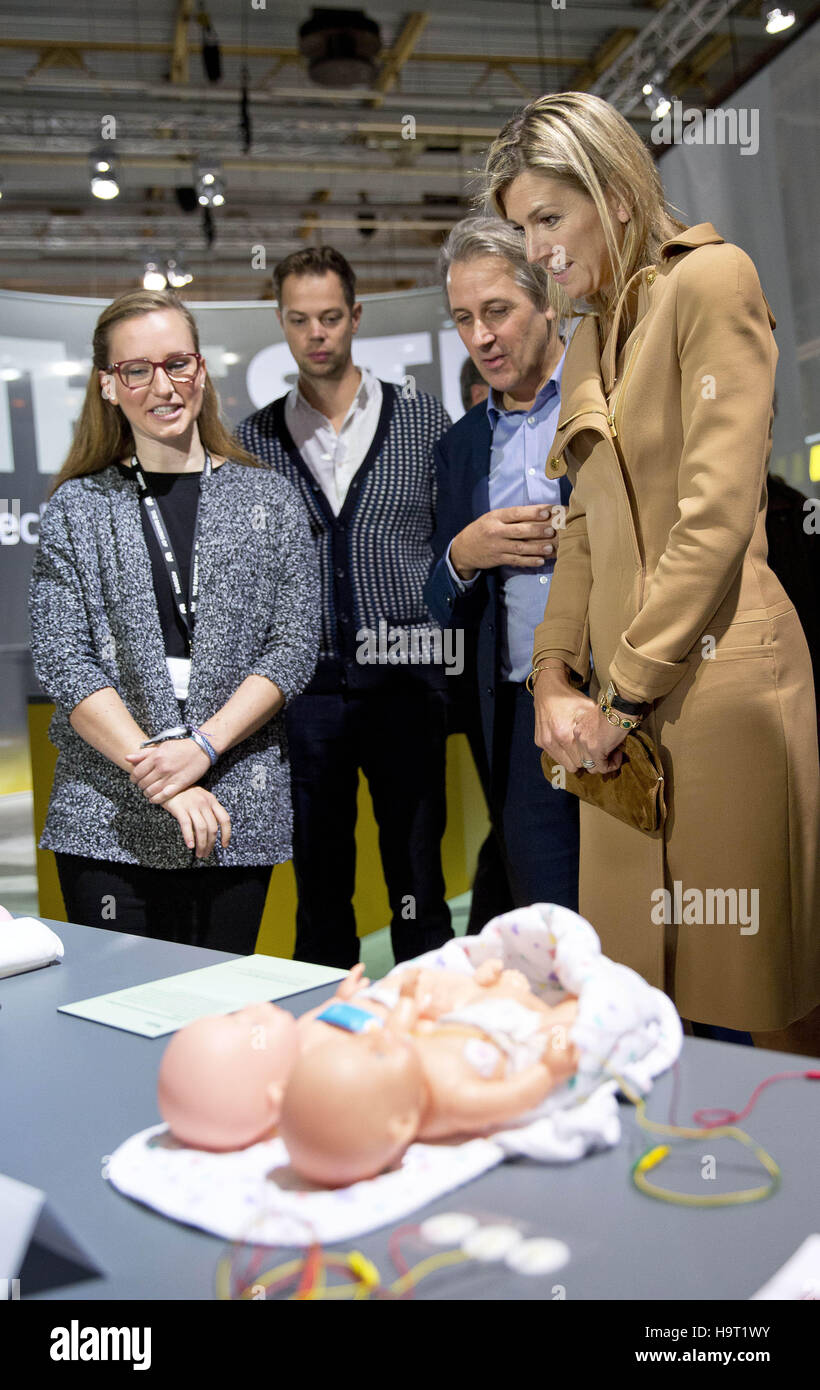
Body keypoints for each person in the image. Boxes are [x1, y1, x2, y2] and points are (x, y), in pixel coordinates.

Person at [482, 90, 820, 1052]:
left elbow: (716, 517)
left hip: (722, 697)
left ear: (616, 194)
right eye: (522, 227)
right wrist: (555, 679)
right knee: (639, 1004)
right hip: (613, 722)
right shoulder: (589, 335)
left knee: (770, 1001)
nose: (538, 247)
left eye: (551, 217)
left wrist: (616, 698)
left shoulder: (713, 281)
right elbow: (581, 533)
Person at [29, 289, 320, 953]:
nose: (162, 385)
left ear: (201, 370)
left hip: (233, 801)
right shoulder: (78, 509)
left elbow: (294, 646)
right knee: (110, 1021)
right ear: (108, 385)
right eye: (137, 369)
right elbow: (66, 661)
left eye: (177, 363)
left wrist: (204, 748)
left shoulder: (269, 499)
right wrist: (163, 773)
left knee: (210, 1027)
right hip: (106, 810)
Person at [235, 246, 454, 969]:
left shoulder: (423, 420)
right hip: (305, 697)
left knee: (420, 881)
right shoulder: (254, 441)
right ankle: (323, 1052)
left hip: (407, 683)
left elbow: (453, 547)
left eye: (330, 317)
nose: (316, 334)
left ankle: (431, 1040)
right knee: (321, 888)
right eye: (299, 320)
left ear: (355, 317)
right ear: (281, 324)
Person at [425, 216, 579, 921]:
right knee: (550, 923)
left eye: (497, 312)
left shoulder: (607, 402)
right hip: (520, 723)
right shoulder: (457, 449)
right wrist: (464, 554)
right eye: (463, 319)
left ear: (546, 298)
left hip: (628, 698)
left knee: (657, 930)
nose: (481, 337)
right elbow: (435, 598)